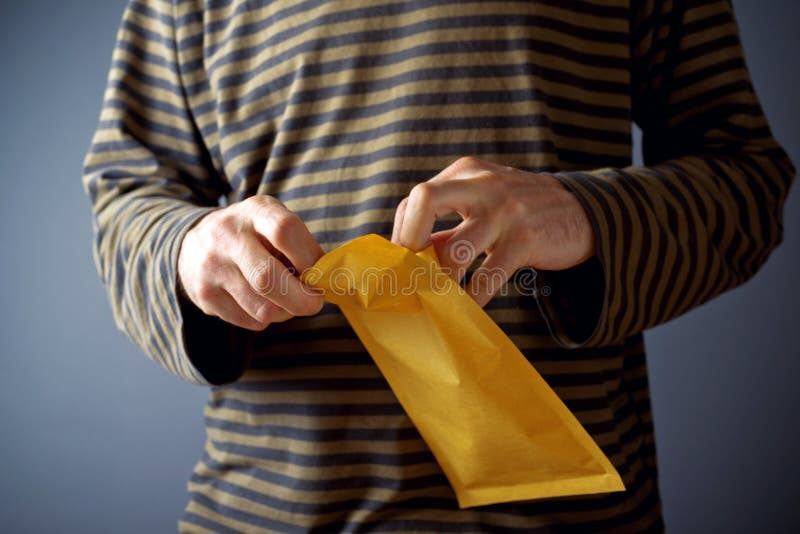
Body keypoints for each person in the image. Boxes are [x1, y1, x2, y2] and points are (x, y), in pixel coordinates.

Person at [83, 0, 793, 531]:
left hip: (568, 519)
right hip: (264, 513)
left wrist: (583, 215)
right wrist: (185, 250)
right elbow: (125, 201)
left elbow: (750, 181)